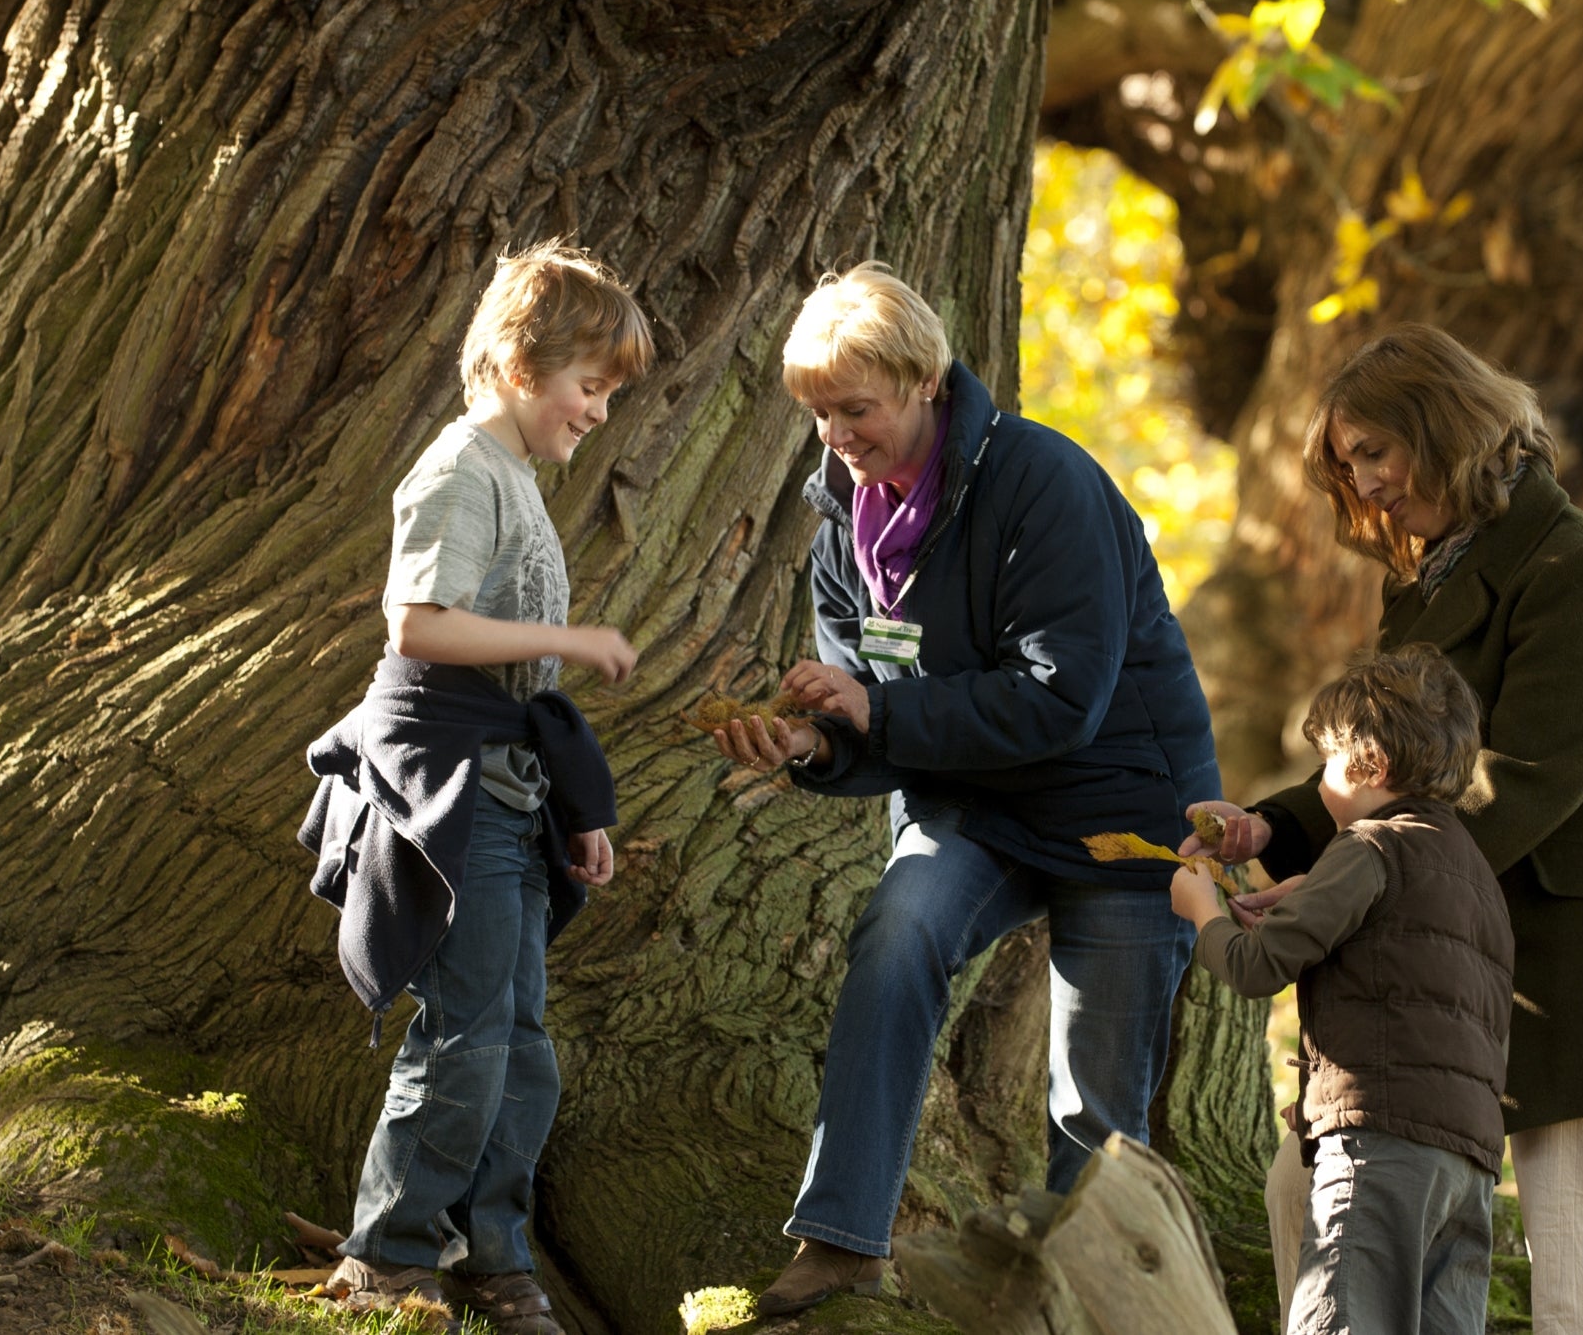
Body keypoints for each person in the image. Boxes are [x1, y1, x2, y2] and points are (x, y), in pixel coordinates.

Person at [1186, 325, 1583, 1335]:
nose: (1366, 483)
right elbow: (1389, 765)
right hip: (1449, 969)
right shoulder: (1429, 580)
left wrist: (1326, 891)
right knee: (1304, 1188)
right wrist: (1265, 826)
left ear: (1448, 431)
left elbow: (1509, 788)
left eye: (1377, 451)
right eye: (1348, 461)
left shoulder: (1582, 571)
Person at [703, 263, 1220, 1317]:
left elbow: (1059, 698)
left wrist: (872, 711)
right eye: (819, 413)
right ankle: (843, 1237)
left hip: (1118, 811)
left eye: (859, 407)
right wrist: (812, 743)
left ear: (925, 381)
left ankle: (1097, 1304)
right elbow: (873, 716)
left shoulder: (1042, 483)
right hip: (974, 807)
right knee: (897, 934)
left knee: (1097, 1105)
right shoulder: (843, 522)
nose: (839, 434)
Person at [299, 243, 653, 1332]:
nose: (597, 411)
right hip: (449, 794)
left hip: (508, 795)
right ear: (515, 360)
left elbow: (514, 690)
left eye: (607, 391)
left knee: (521, 1038)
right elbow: (418, 626)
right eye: (588, 384)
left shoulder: (517, 483)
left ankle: (492, 1256)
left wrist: (572, 812)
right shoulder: (459, 468)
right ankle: (386, 1256)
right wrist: (573, 637)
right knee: (465, 1034)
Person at [1173, 646, 1511, 1335]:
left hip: (1380, 1148)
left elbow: (1258, 966)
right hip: (1469, 1160)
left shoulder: (1366, 847)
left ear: (1370, 766)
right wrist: (1310, 895)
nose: (1319, 780)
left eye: (1325, 762)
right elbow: (1418, 989)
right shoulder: (1473, 872)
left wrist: (1202, 911)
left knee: (1346, 1318)